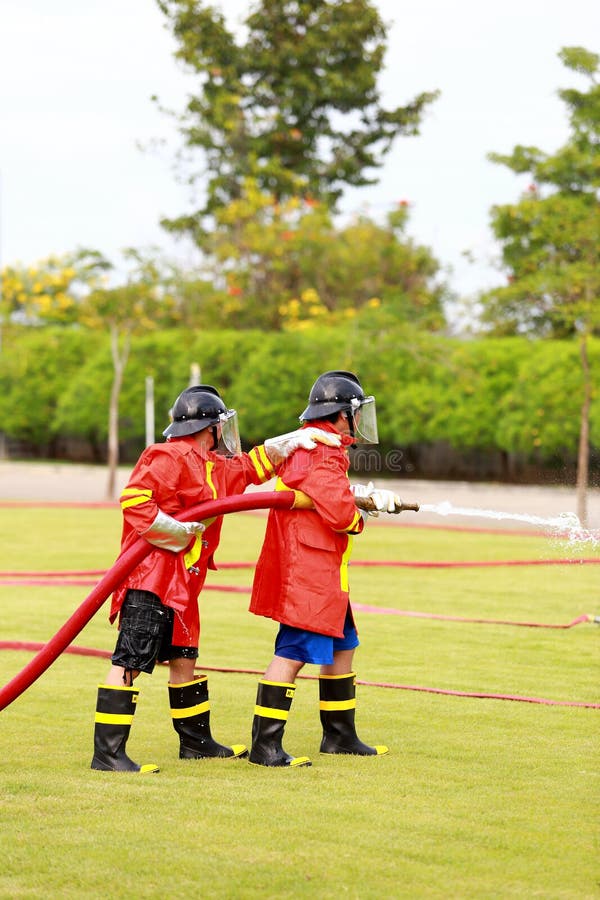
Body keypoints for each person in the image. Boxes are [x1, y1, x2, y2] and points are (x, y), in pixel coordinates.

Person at [91, 384, 340, 774]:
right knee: (131, 660)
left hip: (185, 582)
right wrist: (180, 531)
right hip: (151, 577)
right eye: (220, 426)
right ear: (209, 428)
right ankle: (107, 754)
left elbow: (253, 466)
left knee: (184, 658)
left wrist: (299, 439)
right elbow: (135, 501)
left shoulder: (212, 465)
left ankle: (195, 743)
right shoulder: (167, 456)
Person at [247, 370, 401, 768]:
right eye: (356, 413)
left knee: (343, 646)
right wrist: (361, 514)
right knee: (293, 652)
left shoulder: (316, 444)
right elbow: (334, 507)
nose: (359, 421)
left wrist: (362, 497)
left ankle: (339, 737)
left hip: (323, 572)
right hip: (309, 574)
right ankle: (265, 747)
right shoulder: (321, 450)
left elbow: (324, 493)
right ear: (341, 415)